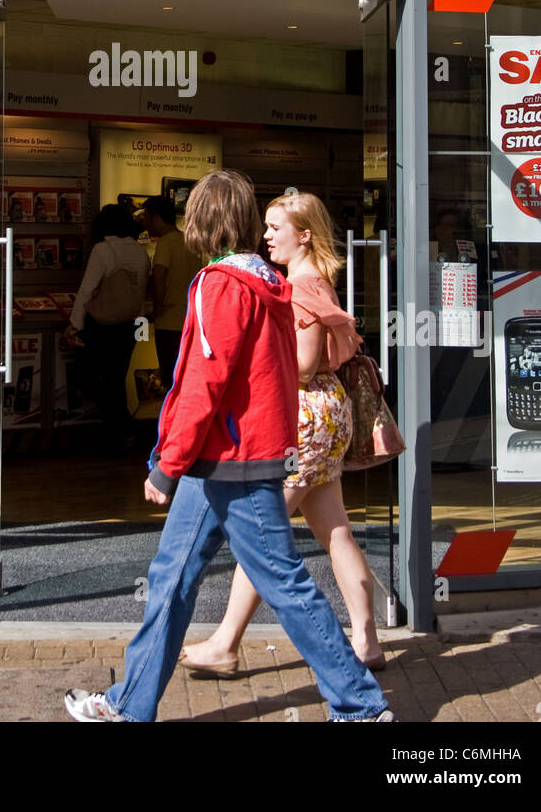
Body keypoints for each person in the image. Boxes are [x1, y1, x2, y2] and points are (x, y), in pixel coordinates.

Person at [64, 170, 391, 723]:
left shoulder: (220, 285)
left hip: (232, 461)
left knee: (279, 583)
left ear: (203, 220)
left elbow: (200, 383)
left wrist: (166, 464)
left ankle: (361, 706)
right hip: (235, 456)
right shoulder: (266, 281)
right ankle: (129, 703)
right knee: (174, 576)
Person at [179, 190, 385, 675]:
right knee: (334, 531)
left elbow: (306, 362)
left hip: (304, 418)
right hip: (325, 417)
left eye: (276, 228)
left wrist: (259, 362)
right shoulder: (316, 281)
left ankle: (225, 644)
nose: (265, 236)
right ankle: (367, 641)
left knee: (262, 536)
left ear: (305, 235)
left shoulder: (302, 284)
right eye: (266, 227)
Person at [61, 203, 149, 453]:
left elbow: (86, 291)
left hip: (102, 326)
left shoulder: (103, 249)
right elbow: (140, 295)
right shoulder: (140, 252)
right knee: (115, 378)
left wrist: (74, 325)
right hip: (129, 326)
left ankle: (121, 429)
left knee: (91, 376)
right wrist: (140, 329)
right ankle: (123, 430)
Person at [140, 195, 202, 385]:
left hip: (168, 321)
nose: (145, 223)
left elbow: (159, 275)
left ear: (157, 218)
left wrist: (157, 307)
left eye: (147, 217)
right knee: (185, 379)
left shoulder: (166, 242)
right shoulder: (190, 242)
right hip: (189, 320)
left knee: (170, 379)